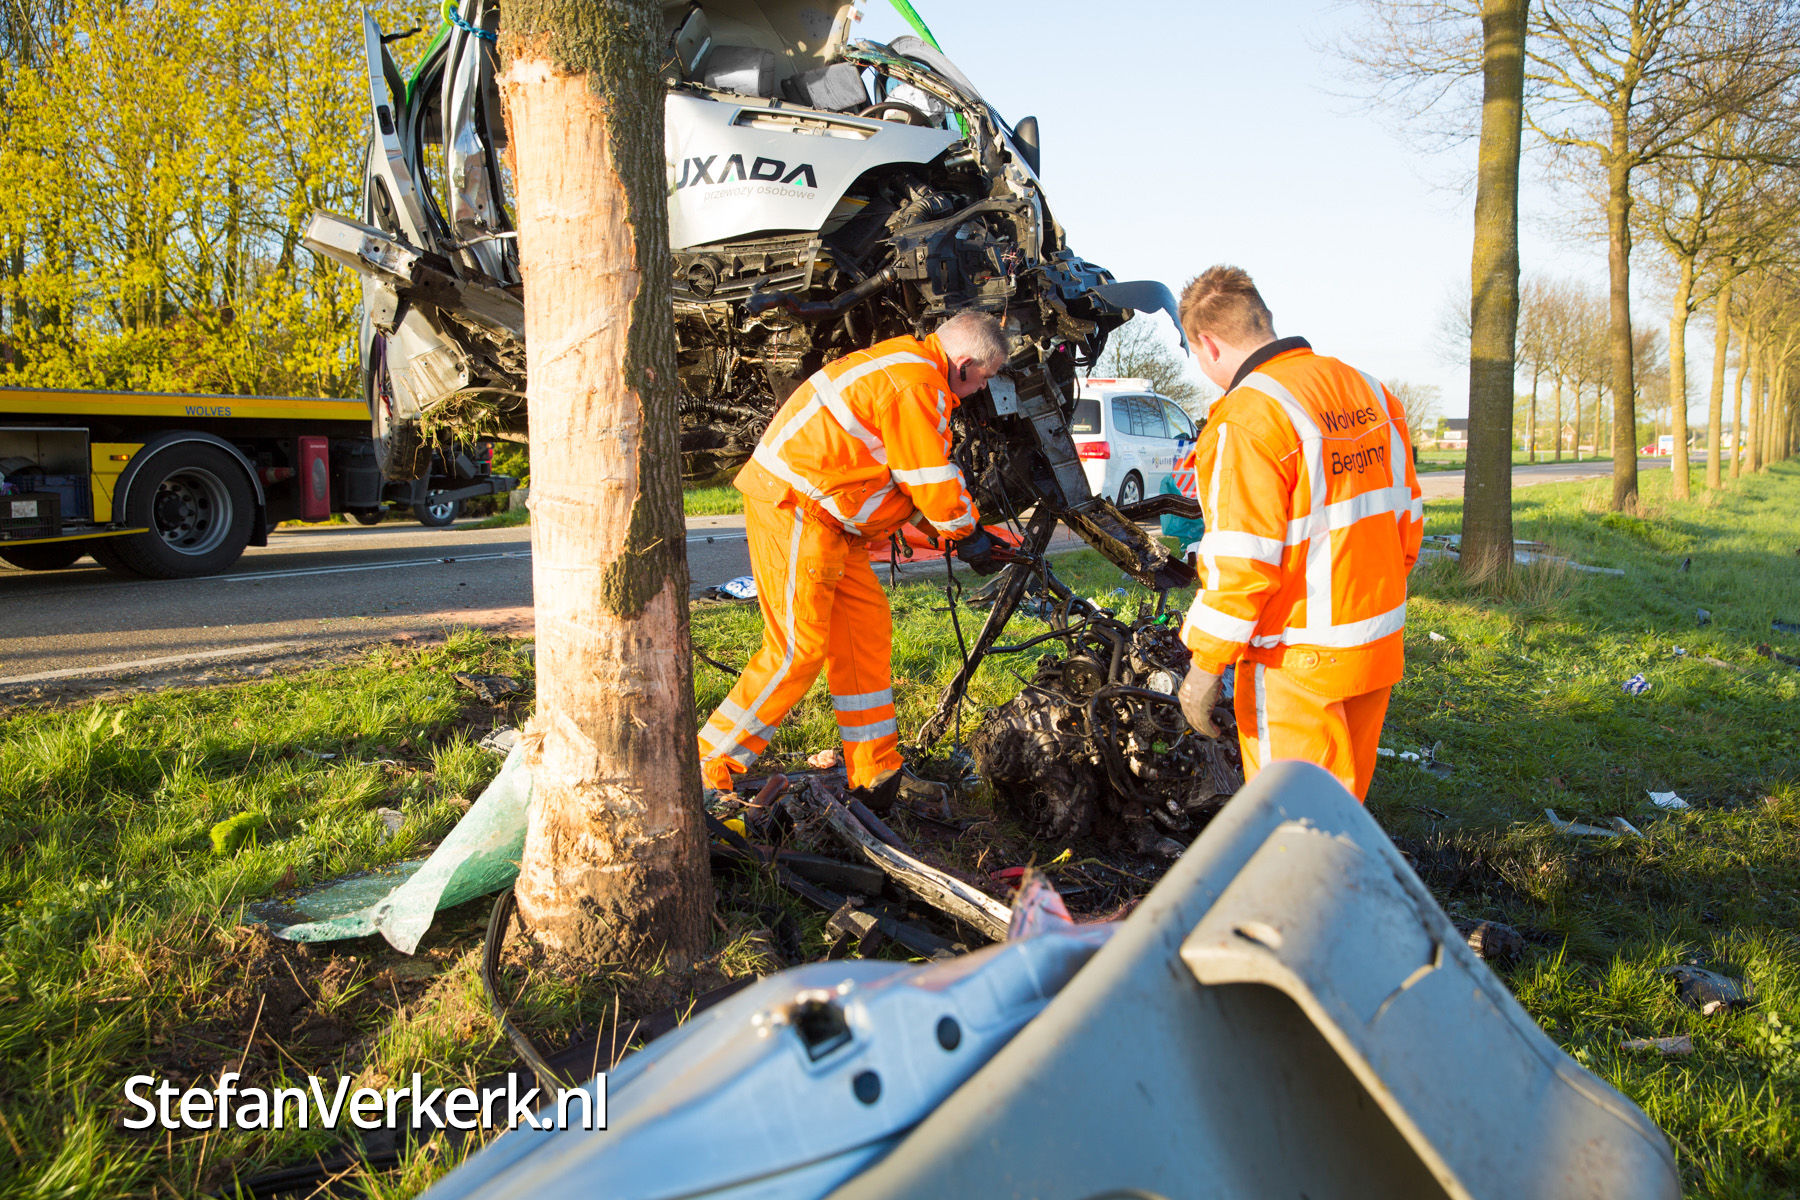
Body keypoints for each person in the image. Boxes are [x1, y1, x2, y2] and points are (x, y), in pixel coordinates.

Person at [698, 311, 1013, 809]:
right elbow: (931, 483)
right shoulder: (916, 384)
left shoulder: (911, 369)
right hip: (797, 507)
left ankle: (875, 773)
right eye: (985, 379)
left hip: (828, 519)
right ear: (965, 363)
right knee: (796, 651)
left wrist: (963, 532)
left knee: (864, 629)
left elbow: (903, 482)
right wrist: (965, 533)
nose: (981, 391)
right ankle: (706, 767)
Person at [1173, 266, 1423, 802]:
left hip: (1297, 661)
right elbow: (1407, 518)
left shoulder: (1247, 418)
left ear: (1208, 344)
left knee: (1294, 824)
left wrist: (1204, 666)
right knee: (1341, 807)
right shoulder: (1370, 390)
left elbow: (1242, 564)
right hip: (1374, 643)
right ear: (1262, 319)